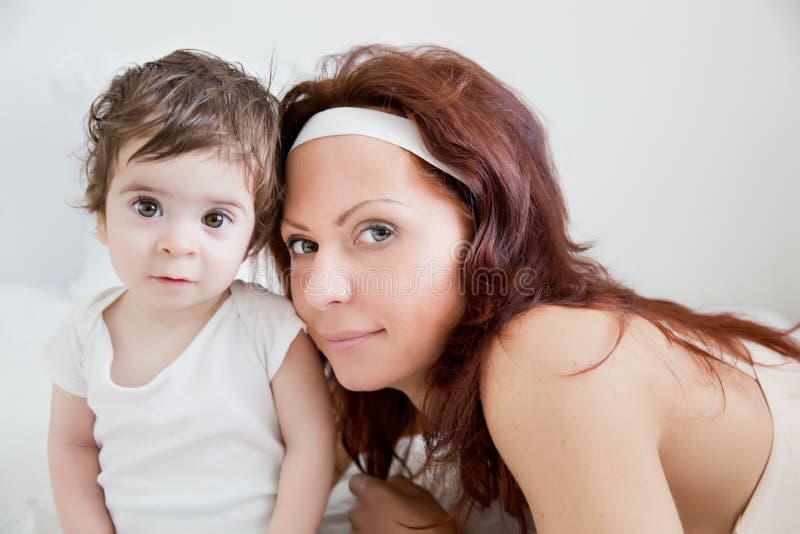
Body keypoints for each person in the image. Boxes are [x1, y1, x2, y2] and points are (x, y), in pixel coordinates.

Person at [269, 45, 800, 533]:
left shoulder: (550, 357)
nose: (318, 293)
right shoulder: (390, 388)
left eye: (378, 232)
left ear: (487, 237)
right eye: (303, 245)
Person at [44, 50, 335, 534]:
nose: (178, 244)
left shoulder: (270, 327)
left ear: (254, 236)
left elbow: (312, 443)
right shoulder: (83, 334)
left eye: (215, 219)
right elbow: (71, 447)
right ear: (101, 216)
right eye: (147, 206)